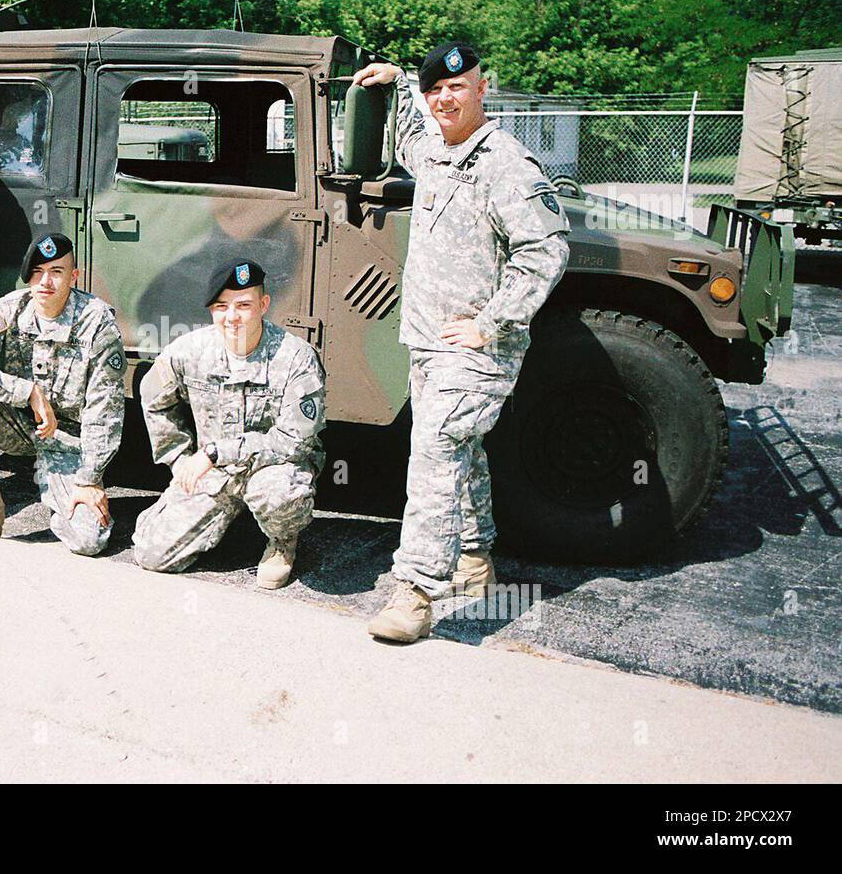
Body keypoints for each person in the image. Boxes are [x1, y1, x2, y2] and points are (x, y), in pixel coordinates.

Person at [352, 42, 570, 642]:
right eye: (435, 90)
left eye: (458, 86)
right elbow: (406, 135)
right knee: (462, 451)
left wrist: (491, 322)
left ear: (483, 87)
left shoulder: (506, 165)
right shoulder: (437, 153)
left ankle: (416, 591)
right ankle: (475, 562)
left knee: (434, 455)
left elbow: (545, 250)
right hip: (426, 342)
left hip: (476, 351)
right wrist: (398, 81)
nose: (445, 98)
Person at [133, 260, 326, 589]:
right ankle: (210, 515)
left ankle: (282, 541)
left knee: (279, 494)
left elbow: (294, 442)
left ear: (263, 305)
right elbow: (152, 395)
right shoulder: (190, 350)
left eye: (244, 305)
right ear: (211, 310)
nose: (232, 316)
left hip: (271, 468)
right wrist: (177, 458)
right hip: (216, 474)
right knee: (152, 555)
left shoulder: (296, 358)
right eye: (221, 307)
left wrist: (214, 452)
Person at [0, 234, 125, 556]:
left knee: (88, 541)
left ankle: (57, 484)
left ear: (74, 276)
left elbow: (104, 409)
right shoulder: (11, 309)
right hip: (20, 425)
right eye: (37, 272)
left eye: (56, 272)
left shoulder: (97, 323)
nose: (45, 282)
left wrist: (90, 479)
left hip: (68, 439)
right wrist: (28, 392)